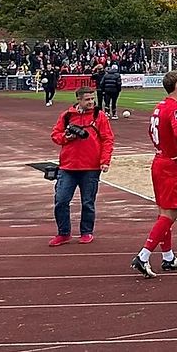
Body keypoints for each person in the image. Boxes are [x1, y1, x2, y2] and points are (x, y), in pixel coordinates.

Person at [131, 71, 177, 278]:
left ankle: (168, 257)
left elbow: (151, 131)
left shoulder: (159, 106)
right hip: (170, 164)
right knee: (170, 214)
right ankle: (144, 255)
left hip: (158, 160)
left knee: (162, 211)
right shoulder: (175, 108)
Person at [49, 86, 114, 246]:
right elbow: (55, 135)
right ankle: (63, 233)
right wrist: (66, 137)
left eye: (93, 99)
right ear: (79, 99)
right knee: (61, 200)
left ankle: (86, 232)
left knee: (88, 202)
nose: (91, 102)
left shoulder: (100, 116)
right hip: (68, 167)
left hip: (91, 167)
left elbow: (108, 139)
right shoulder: (67, 116)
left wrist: (105, 161)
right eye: (87, 99)